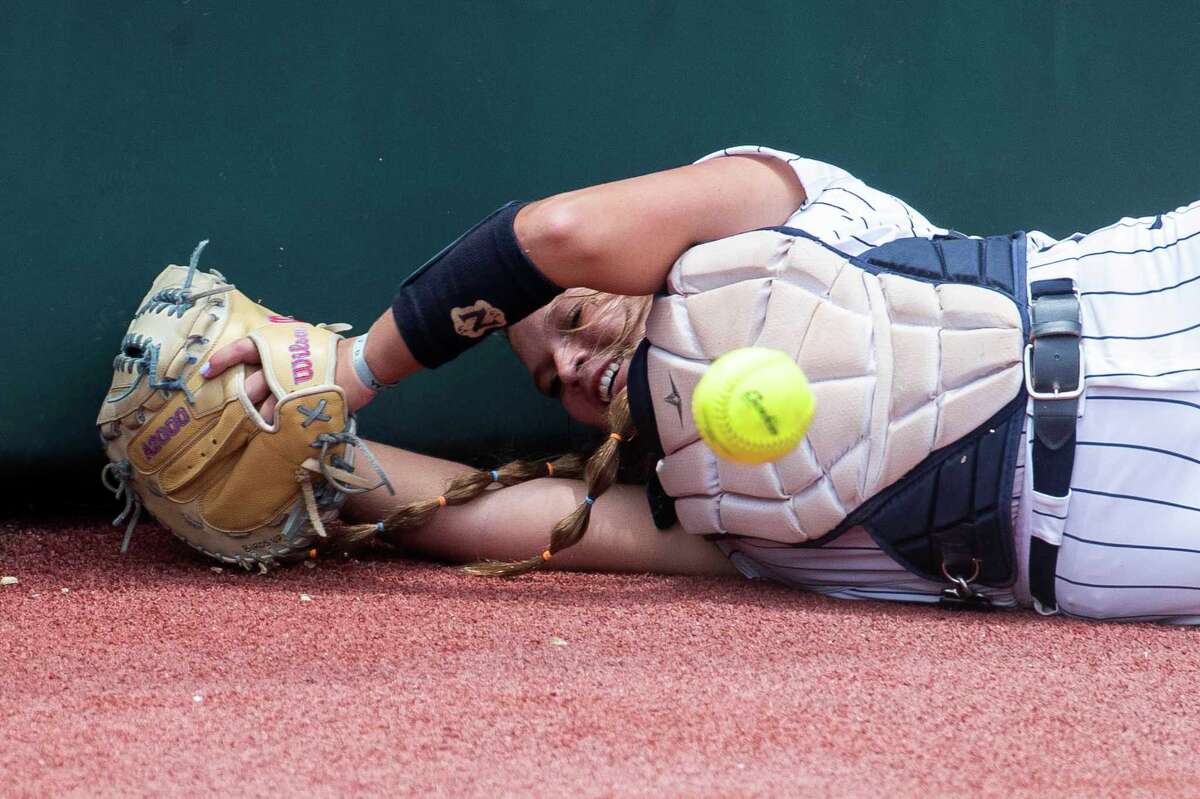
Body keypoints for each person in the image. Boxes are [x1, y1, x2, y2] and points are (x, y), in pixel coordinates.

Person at [201, 146, 1200, 624]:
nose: (577, 367)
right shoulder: (725, 517)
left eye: (575, 318)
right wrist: (287, 436)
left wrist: (354, 367)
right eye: (555, 381)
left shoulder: (802, 210)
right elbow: (489, 516)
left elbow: (553, 236)